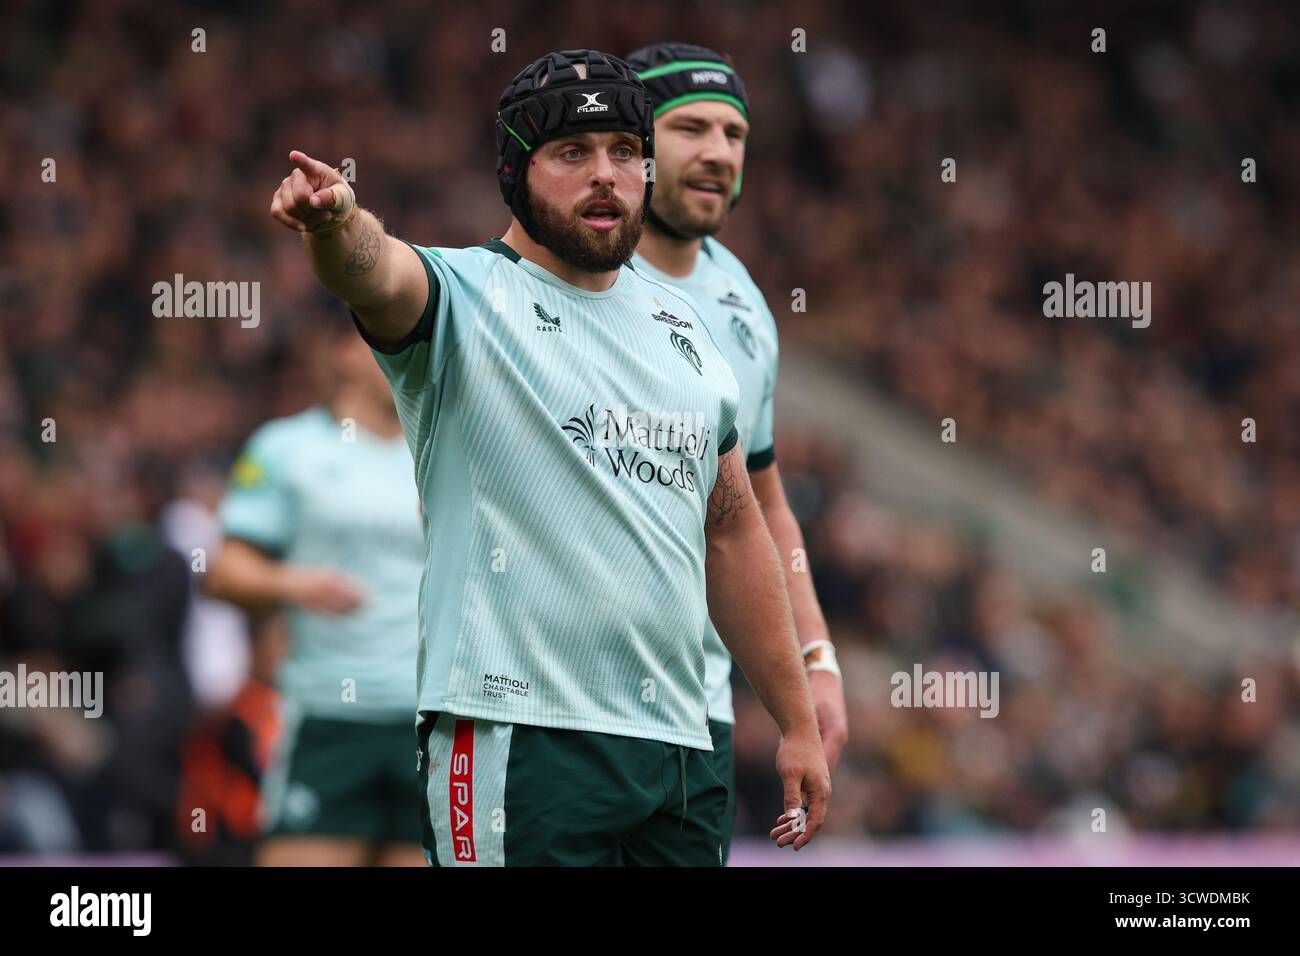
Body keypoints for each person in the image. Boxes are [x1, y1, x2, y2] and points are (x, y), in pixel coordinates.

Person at [269, 48, 829, 866]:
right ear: (515, 169)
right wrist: (334, 222)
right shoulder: (460, 297)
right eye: (572, 153)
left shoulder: (690, 336)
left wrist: (798, 724)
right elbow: (371, 272)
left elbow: (734, 534)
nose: (605, 175)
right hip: (518, 736)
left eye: (624, 153)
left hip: (680, 750)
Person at [625, 42, 848, 860]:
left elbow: (765, 507)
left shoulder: (745, 304)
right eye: (689, 127)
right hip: (542, 713)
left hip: (694, 717)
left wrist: (815, 661)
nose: (718, 150)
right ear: (632, 144)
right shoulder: (559, 278)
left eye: (734, 132)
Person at [204, 328, 425, 866]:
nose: (406, 355)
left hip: (429, 727)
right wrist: (296, 583)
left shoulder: (442, 449)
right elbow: (224, 572)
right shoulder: (286, 448)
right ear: (345, 351)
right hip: (325, 718)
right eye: (390, 339)